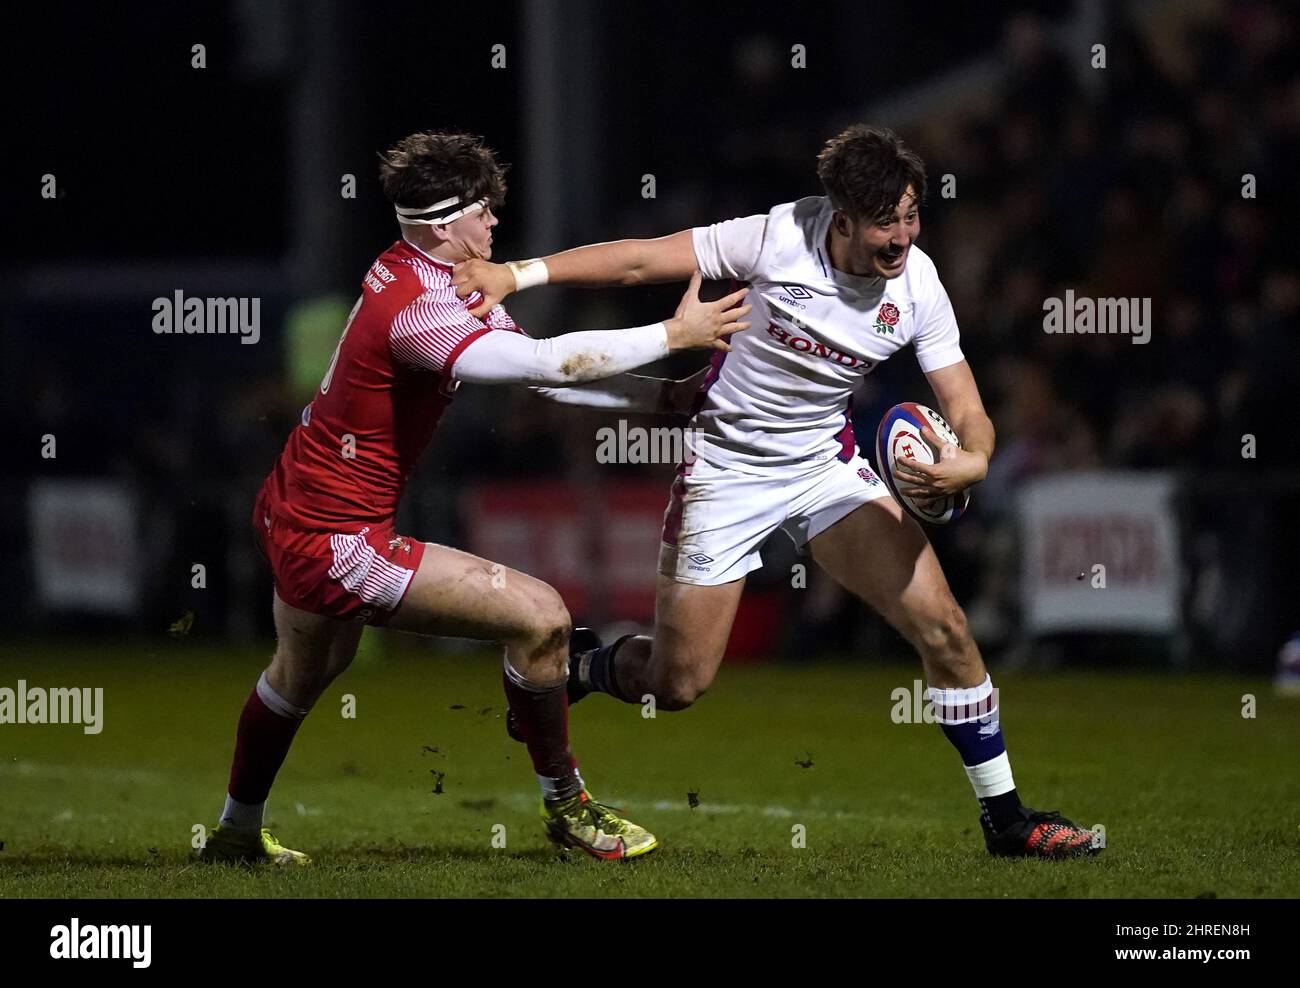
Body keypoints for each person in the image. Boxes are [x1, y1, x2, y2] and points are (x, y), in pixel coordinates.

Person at [453, 124, 1101, 858]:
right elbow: (640, 261)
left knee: (945, 628)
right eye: (886, 222)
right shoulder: (777, 236)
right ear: (842, 218)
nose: (903, 237)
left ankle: (1007, 821)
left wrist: (976, 461)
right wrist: (516, 275)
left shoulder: (918, 284)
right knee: (678, 683)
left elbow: (966, 404)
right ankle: (585, 667)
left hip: (824, 468)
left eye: (913, 215)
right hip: (725, 470)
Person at [199, 131, 749, 865]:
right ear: (442, 225)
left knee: (299, 676)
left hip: (296, 503)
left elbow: (545, 379)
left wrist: (666, 398)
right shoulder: (417, 312)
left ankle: (236, 832)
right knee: (542, 617)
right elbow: (546, 359)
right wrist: (672, 333)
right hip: (335, 537)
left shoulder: (427, 276)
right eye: (484, 213)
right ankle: (569, 808)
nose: (495, 227)